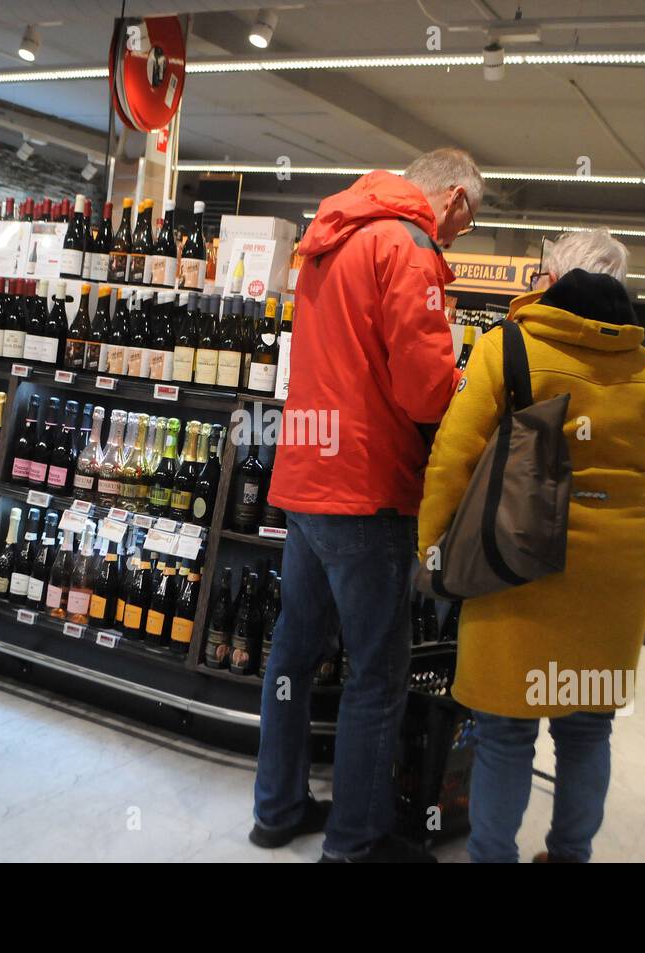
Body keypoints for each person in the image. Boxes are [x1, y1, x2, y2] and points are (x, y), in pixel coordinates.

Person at [418, 228, 645, 863]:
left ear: (552, 278)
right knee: (588, 731)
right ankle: (570, 856)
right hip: (614, 580)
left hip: (514, 566)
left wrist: (432, 553)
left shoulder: (506, 346)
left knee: (505, 733)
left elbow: (451, 460)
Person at [250, 148, 483, 862]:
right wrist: (463, 383)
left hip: (305, 474)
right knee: (377, 673)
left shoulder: (330, 235)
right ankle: (354, 840)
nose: (456, 236)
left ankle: (278, 809)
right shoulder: (409, 248)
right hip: (367, 484)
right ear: (452, 199)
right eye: (464, 223)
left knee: (293, 650)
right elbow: (422, 391)